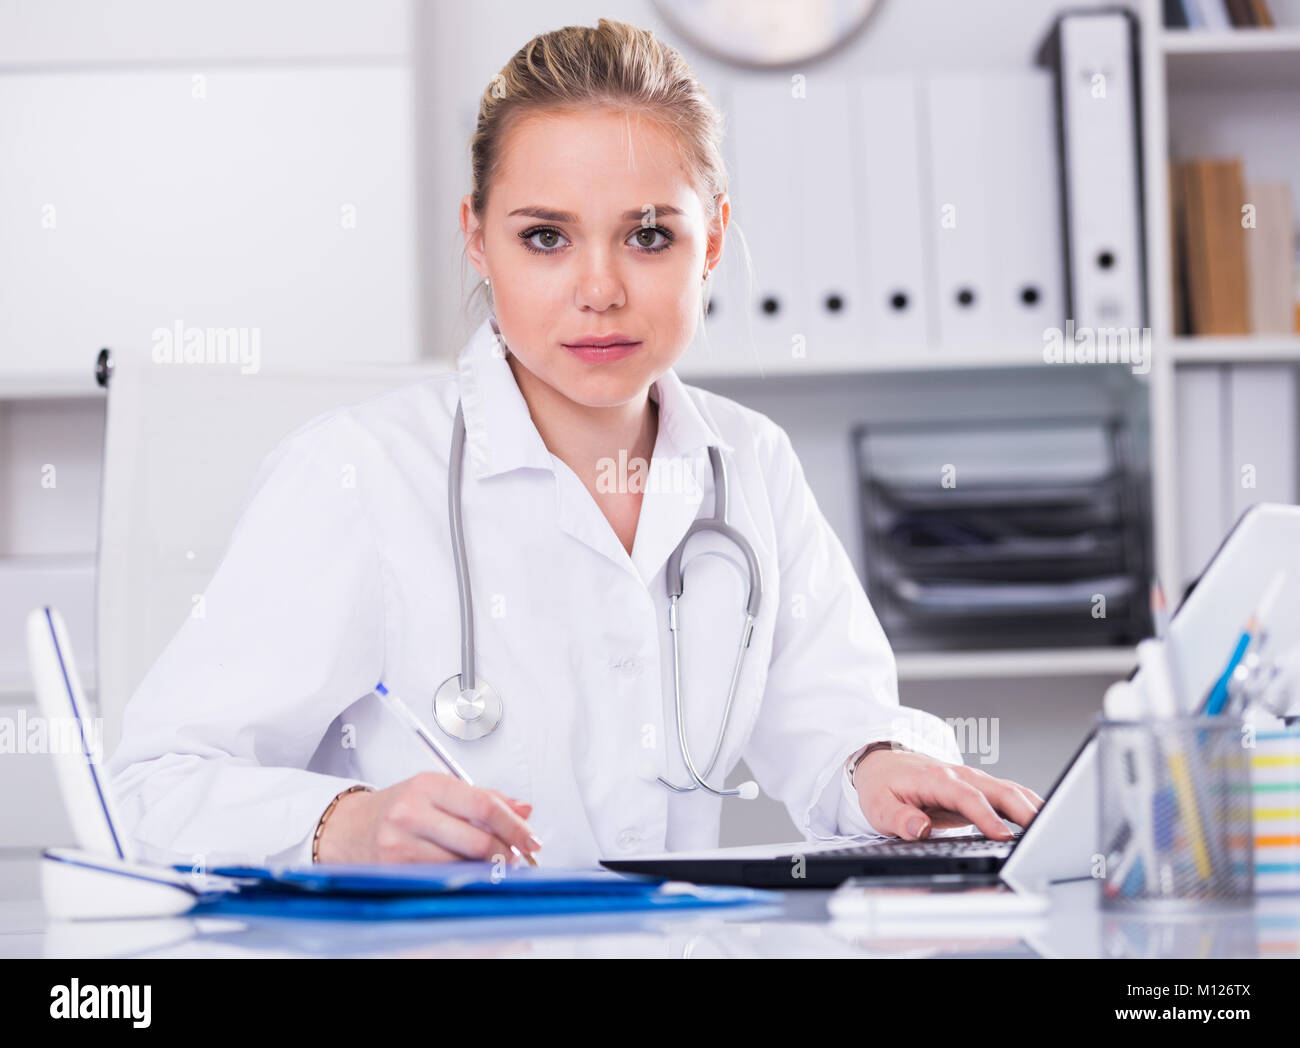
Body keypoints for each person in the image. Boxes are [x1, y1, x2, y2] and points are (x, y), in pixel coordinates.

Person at [107, 19, 1043, 871]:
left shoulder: (748, 464)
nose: (599, 289)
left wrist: (875, 769)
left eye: (648, 235)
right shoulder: (355, 473)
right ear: (477, 241)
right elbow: (154, 784)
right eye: (546, 237)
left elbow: (834, 726)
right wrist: (341, 823)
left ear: (712, 240)